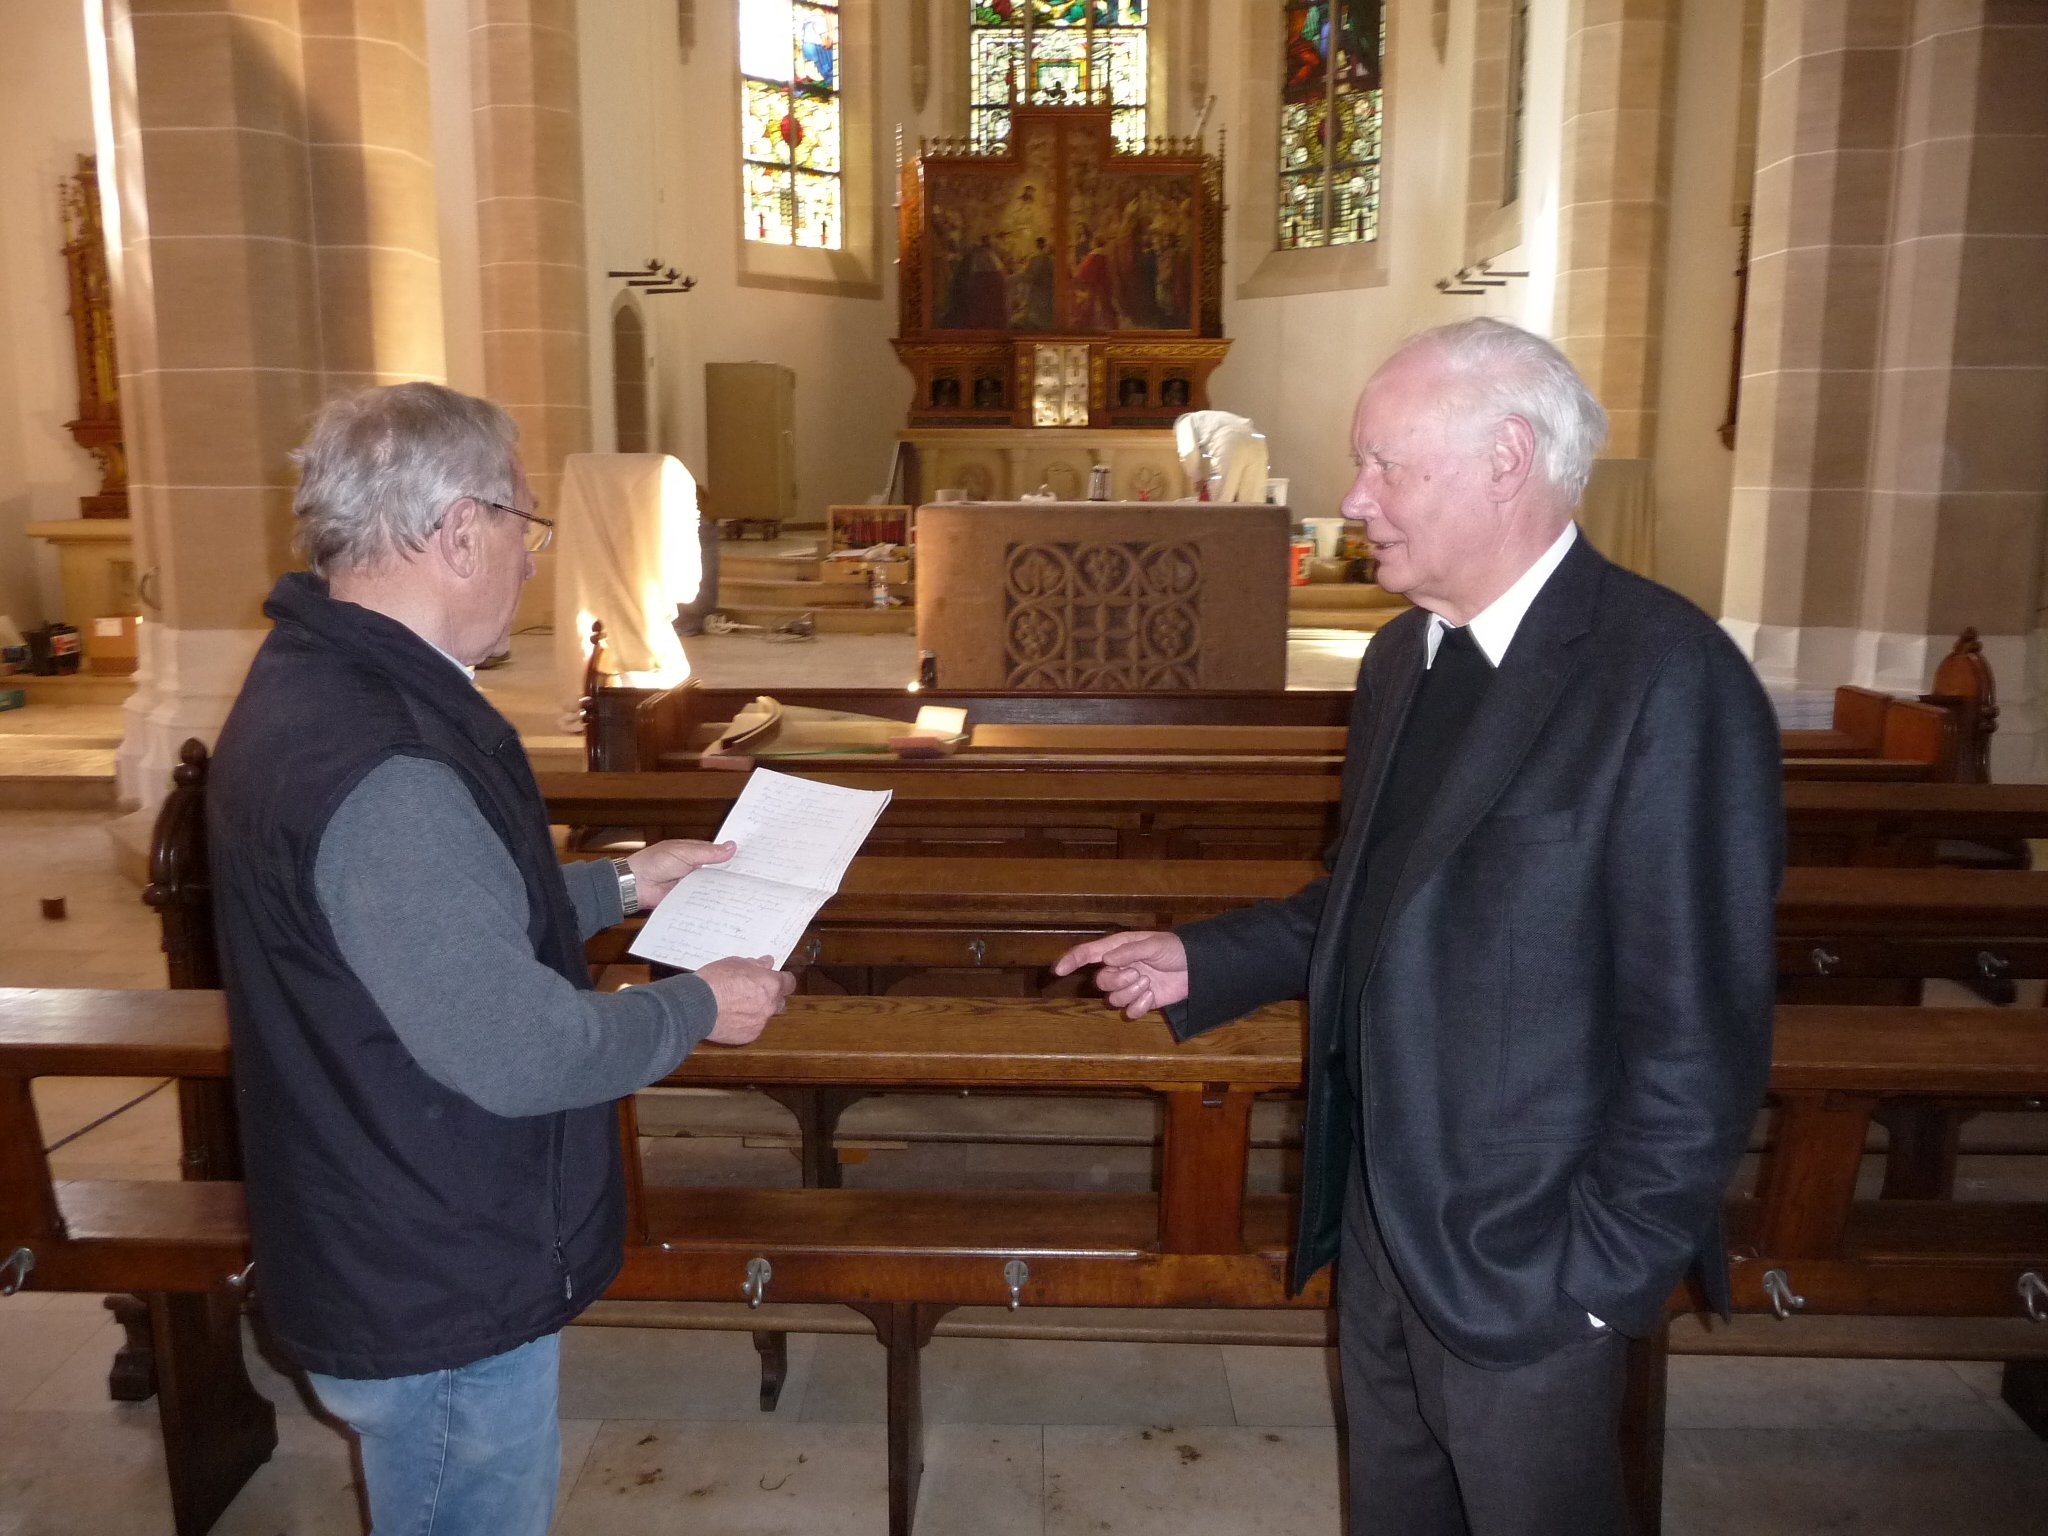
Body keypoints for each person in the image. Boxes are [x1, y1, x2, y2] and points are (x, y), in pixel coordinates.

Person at [1056, 319, 1780, 1535]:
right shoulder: (1404, 656)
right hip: (1385, 1213)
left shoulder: (1662, 678)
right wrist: (1203, 956)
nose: (1353, 499)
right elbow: (1375, 897)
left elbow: (1699, 1035)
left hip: (1531, 1253)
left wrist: (1595, 1282)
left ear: (1506, 460)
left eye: (1385, 464)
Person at [207, 382, 796, 1536]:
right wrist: (697, 1006)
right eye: (525, 527)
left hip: (385, 1207)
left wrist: (623, 885)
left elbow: (418, 926)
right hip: (434, 1263)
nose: (531, 560)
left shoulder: (317, 683)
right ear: (458, 530)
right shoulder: (388, 763)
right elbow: (523, 1052)